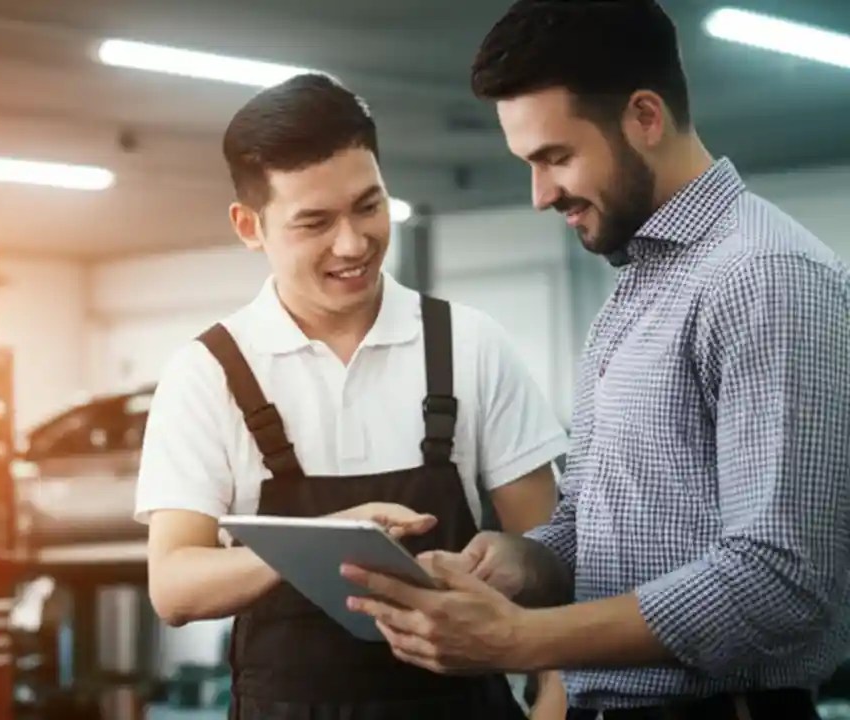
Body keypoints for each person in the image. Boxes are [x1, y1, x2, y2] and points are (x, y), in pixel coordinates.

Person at [341, 2, 850, 719]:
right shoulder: (638, 288)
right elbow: (603, 521)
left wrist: (524, 640)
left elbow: (783, 580)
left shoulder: (763, 275)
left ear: (645, 116)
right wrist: (526, 563)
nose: (540, 194)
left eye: (556, 157)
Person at [134, 72, 571, 719]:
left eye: (369, 206)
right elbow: (173, 588)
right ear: (249, 226)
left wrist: (555, 699)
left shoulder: (470, 346)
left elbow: (557, 557)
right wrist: (317, 543)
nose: (353, 243)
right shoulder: (208, 372)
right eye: (314, 222)